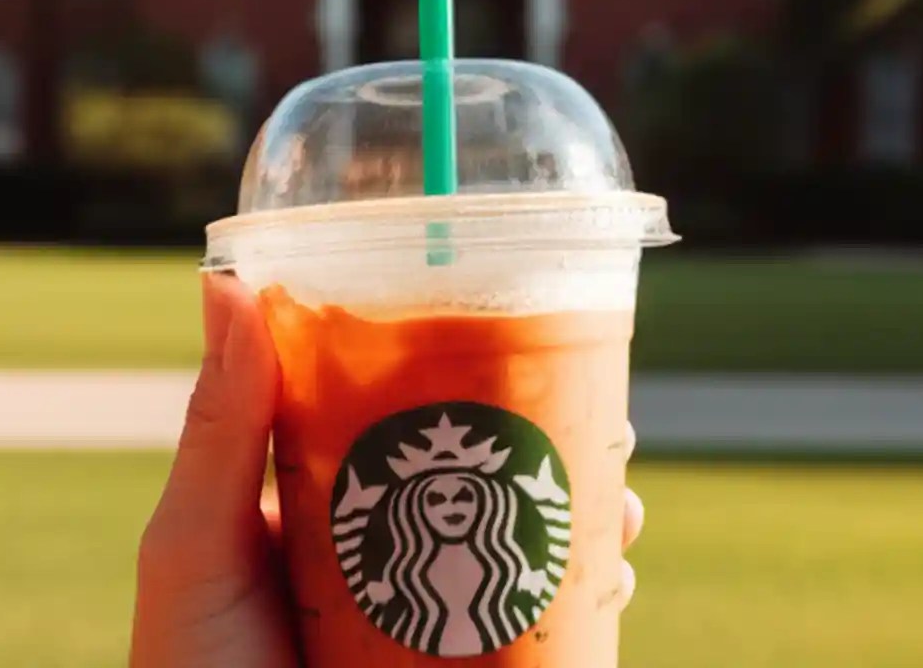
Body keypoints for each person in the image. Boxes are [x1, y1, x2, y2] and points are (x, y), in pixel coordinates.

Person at [130, 274, 646, 668]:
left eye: (464, 498)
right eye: (436, 500)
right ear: (413, 507)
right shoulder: (401, 579)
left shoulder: (506, 572)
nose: (451, 510)